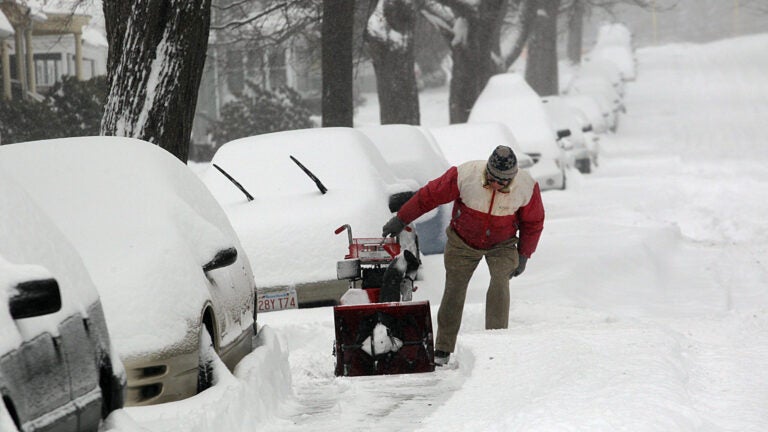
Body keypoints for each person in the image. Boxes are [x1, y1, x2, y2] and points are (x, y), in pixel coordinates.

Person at [381, 145, 544, 365]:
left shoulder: (526, 187)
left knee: (500, 281)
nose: (497, 185)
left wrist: (524, 254)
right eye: (492, 179)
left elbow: (533, 222)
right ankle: (443, 348)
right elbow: (429, 196)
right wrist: (401, 219)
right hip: (462, 241)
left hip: (502, 244)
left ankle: (496, 343)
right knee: (455, 288)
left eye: (503, 182)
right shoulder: (466, 175)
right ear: (487, 171)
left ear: (512, 178)